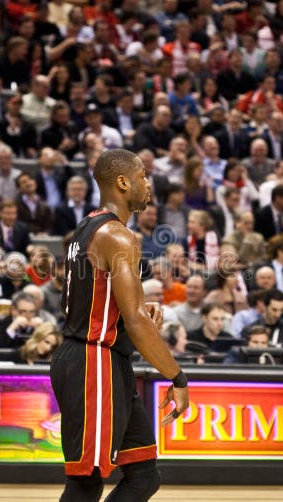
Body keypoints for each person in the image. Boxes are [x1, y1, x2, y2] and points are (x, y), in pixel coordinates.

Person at [52, 149, 188, 501]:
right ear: (123, 182)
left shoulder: (86, 227)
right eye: (143, 176)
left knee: (144, 474)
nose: (148, 184)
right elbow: (137, 322)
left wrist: (141, 305)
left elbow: (95, 295)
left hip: (104, 361)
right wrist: (176, 377)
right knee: (86, 481)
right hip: (93, 361)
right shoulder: (118, 236)